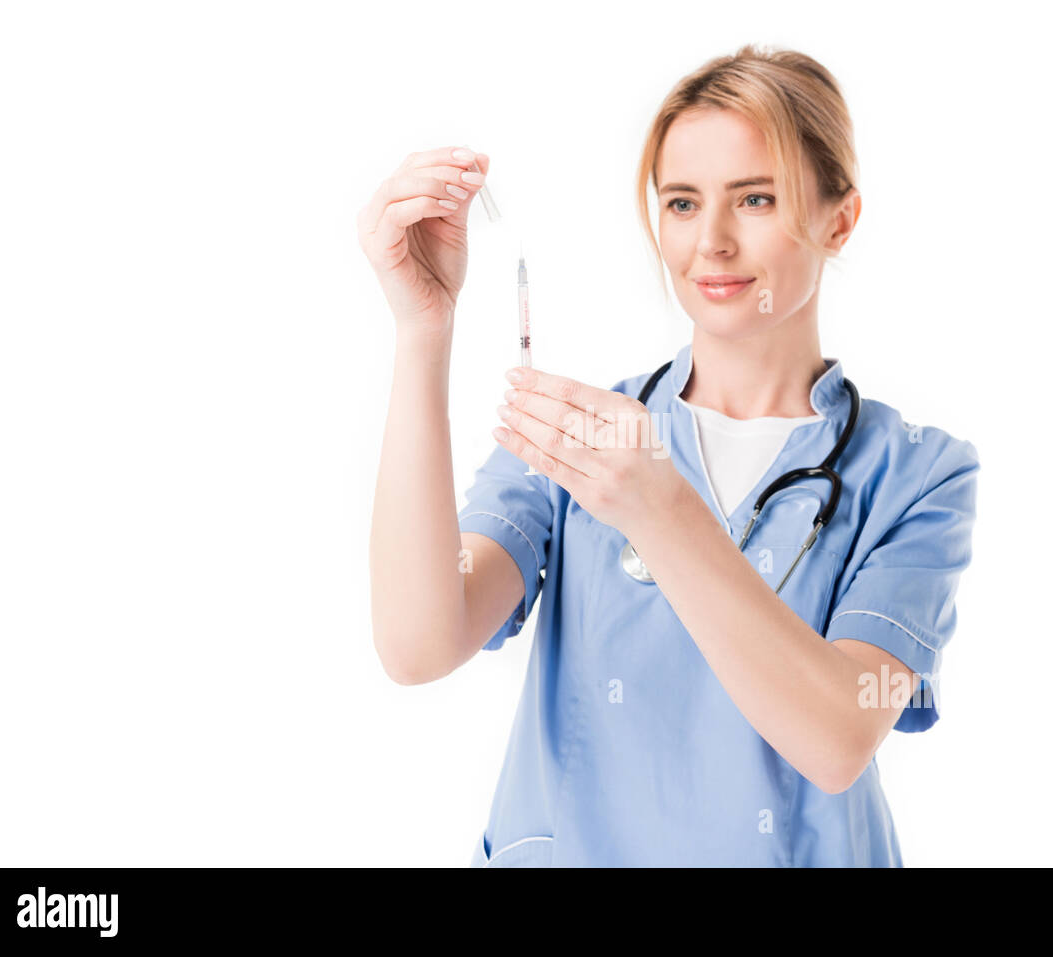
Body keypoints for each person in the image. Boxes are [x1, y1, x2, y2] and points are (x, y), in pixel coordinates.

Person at [359, 44, 979, 867]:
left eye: (755, 198)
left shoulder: (917, 472)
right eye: (682, 203)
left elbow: (836, 737)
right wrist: (422, 329)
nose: (712, 242)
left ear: (840, 218)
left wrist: (660, 507)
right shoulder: (579, 434)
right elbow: (416, 643)